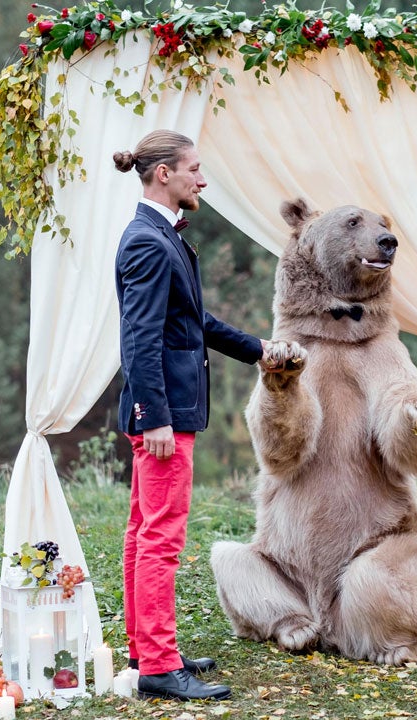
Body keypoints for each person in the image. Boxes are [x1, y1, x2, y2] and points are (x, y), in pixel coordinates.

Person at [113, 130, 278, 702]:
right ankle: (159, 666)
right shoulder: (147, 242)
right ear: (164, 174)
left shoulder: (162, 237)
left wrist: (259, 349)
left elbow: (192, 322)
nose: (202, 180)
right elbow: (139, 338)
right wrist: (155, 416)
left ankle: (146, 651)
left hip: (166, 411)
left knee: (144, 531)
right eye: (194, 169)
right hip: (164, 416)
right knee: (160, 538)